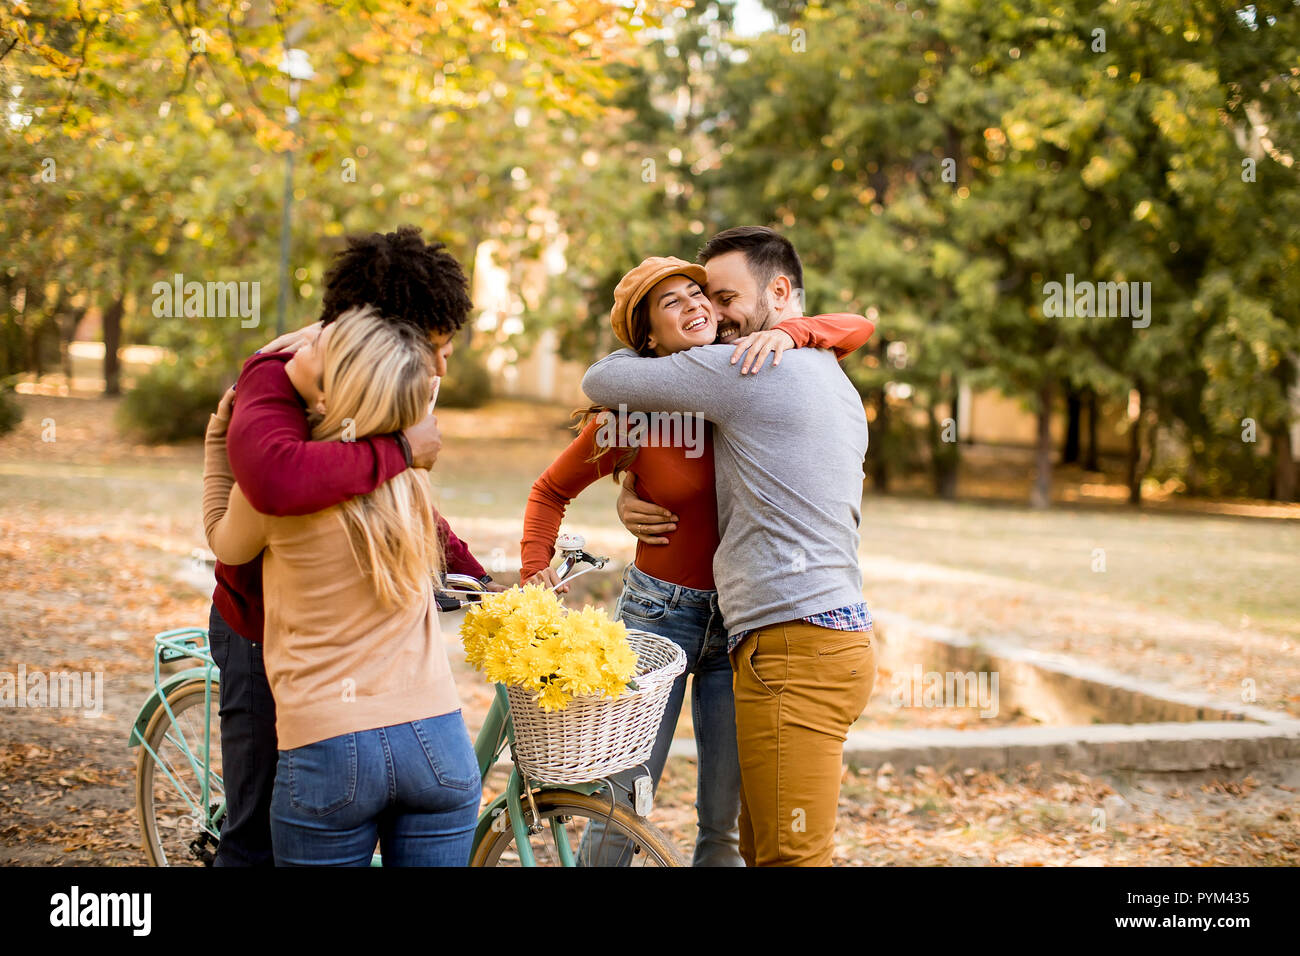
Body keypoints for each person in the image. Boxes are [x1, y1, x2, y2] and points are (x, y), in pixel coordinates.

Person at [523, 254, 873, 866]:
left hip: (743, 623)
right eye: (672, 302)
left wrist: (793, 329)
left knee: (725, 823)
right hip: (660, 615)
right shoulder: (636, 415)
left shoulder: (747, 374)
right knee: (619, 801)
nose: (695, 306)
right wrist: (535, 573)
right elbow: (549, 490)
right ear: (648, 338)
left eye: (699, 293)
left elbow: (855, 325)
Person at [208, 226, 501, 866]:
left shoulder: (390, 382)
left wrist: (481, 582)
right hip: (263, 632)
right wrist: (399, 450)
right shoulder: (274, 376)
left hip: (354, 692)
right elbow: (275, 480)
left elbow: (405, 505)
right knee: (252, 838)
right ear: (380, 334)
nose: (442, 366)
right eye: (435, 346)